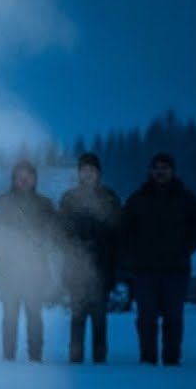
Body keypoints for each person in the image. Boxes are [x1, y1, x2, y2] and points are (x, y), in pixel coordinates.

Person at [120, 153, 196, 365]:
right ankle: (148, 359)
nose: (160, 171)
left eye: (165, 167)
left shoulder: (186, 198)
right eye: (156, 167)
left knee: (173, 319)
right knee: (146, 320)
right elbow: (124, 229)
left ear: (172, 171)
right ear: (150, 171)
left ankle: (171, 359)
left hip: (176, 271)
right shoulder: (138, 199)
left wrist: (186, 247)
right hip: (145, 272)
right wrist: (132, 256)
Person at [0, 159, 59, 362]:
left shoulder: (45, 205)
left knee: (34, 317)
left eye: (28, 176)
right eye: (19, 176)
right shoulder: (2, 203)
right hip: (8, 271)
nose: (24, 179)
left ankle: (35, 357)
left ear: (34, 179)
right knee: (9, 318)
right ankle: (8, 358)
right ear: (13, 179)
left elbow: (54, 235)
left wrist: (42, 242)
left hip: (35, 272)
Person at [58, 152, 121, 363]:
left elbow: (117, 234)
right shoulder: (69, 199)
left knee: (100, 319)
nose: (87, 175)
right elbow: (61, 234)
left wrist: (114, 269)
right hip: (77, 270)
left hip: (102, 269)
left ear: (98, 173)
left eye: (92, 171)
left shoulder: (109, 198)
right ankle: (75, 359)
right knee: (77, 317)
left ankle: (100, 359)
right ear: (78, 173)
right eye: (84, 171)